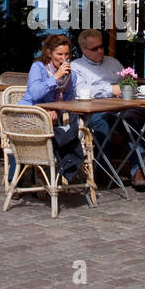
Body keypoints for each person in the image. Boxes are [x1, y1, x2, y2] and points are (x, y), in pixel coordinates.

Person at [71, 28, 145, 188]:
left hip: (121, 109)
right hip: (95, 111)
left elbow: (128, 82)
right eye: (95, 48)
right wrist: (110, 89)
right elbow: (80, 90)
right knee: (101, 123)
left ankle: (138, 169)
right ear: (84, 50)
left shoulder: (112, 62)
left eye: (101, 46)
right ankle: (104, 170)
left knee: (138, 119)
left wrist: (128, 87)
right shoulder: (76, 67)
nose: (101, 50)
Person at [21, 33, 86, 180]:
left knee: (70, 133)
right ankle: (24, 177)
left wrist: (58, 110)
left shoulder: (71, 76)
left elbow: (67, 101)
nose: (64, 58)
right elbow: (35, 93)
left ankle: (56, 172)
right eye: (59, 54)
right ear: (49, 53)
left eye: (67, 54)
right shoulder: (38, 67)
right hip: (28, 114)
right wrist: (56, 77)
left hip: (51, 119)